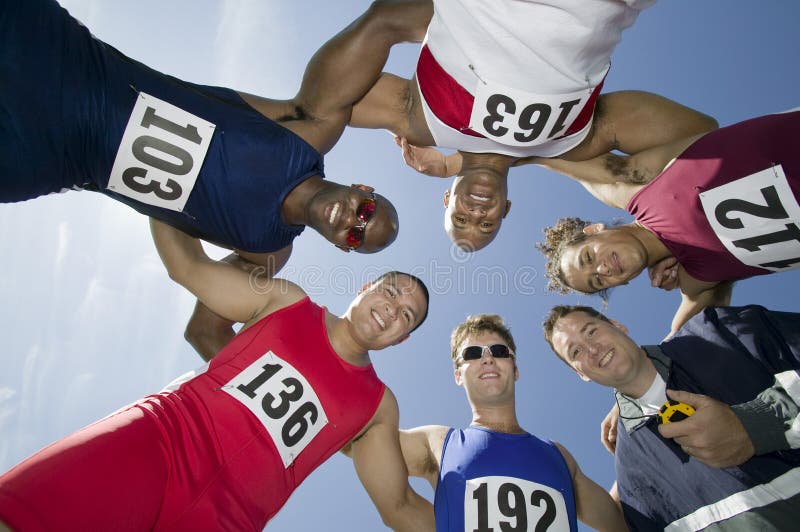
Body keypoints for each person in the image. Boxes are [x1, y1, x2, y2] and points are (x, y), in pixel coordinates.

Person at [0, 0, 433, 359]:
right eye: (368, 212)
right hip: (59, 59)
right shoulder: (309, 126)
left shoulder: (266, 249)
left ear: (343, 247)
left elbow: (205, 331)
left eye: (357, 236)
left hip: (44, 160)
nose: (352, 221)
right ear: (364, 189)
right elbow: (385, 21)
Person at [0, 218, 435, 531]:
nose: (392, 311)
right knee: (24, 516)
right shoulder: (287, 303)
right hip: (162, 442)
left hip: (232, 519)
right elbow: (188, 267)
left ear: (401, 340)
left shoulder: (378, 406)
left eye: (406, 315)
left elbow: (398, 507)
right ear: (365, 289)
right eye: (391, 292)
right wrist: (162, 183)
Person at [348, 0, 718, 251]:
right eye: (487, 225)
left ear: (447, 198)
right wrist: (530, 155)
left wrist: (451, 160)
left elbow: (330, 102)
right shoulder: (569, 143)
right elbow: (702, 135)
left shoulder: (423, 120)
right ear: (505, 209)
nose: (477, 214)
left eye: (461, 218)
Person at [537, 108, 800, 335]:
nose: (602, 270)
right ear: (621, 284)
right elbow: (676, 347)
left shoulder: (642, 188)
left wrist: (519, 155)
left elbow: (560, 156)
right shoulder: (698, 280)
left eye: (588, 258)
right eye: (598, 282)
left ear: (595, 230)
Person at [543, 303, 800, 530]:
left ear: (618, 325)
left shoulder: (720, 332)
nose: (592, 348)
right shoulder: (631, 469)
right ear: (581, 374)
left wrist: (757, 423)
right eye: (575, 352)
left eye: (591, 331)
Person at [393, 314, 627, 531]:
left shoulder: (559, 456)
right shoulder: (437, 444)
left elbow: (618, 522)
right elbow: (361, 434)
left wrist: (630, 410)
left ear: (515, 369)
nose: (487, 359)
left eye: (498, 351)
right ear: (458, 375)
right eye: (473, 353)